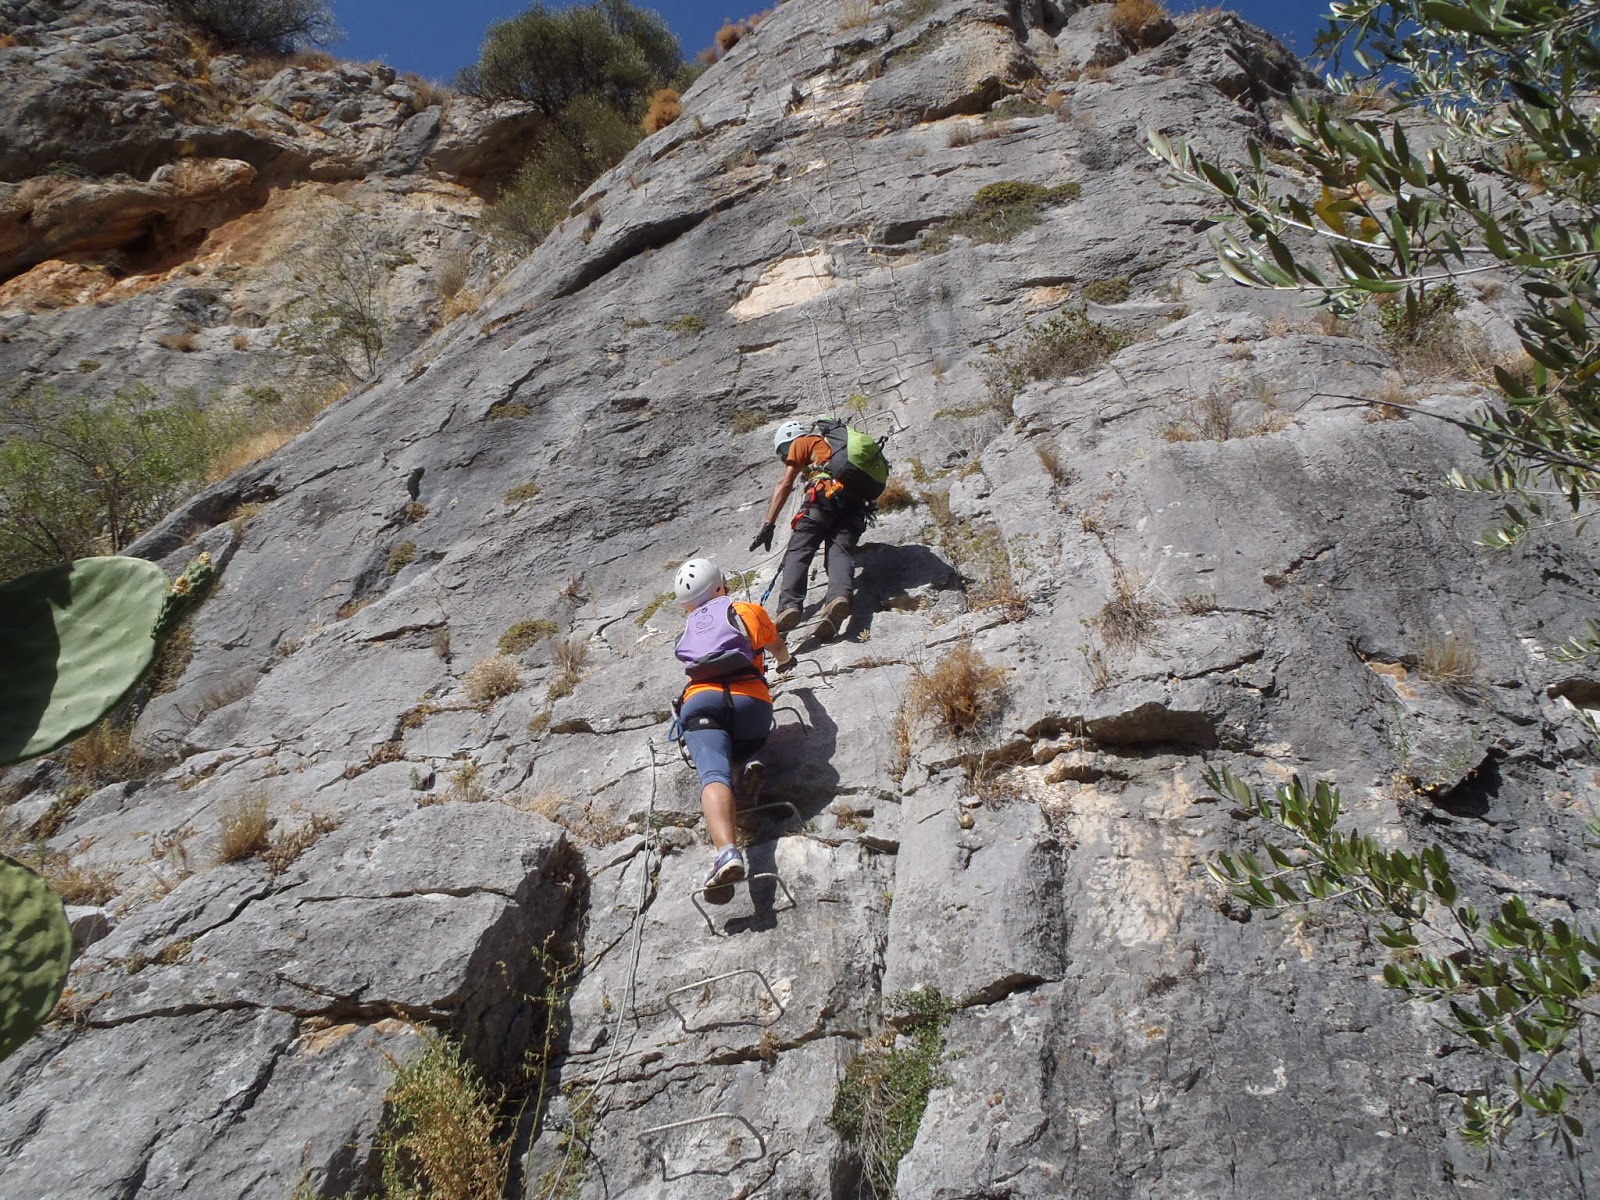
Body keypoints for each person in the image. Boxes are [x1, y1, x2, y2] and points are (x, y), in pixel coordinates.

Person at [670, 557, 792, 904]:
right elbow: (777, 647)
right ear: (721, 586)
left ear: (687, 604)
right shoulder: (746, 610)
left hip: (702, 701)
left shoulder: (690, 626)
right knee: (740, 745)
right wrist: (785, 661)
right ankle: (746, 765)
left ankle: (727, 852)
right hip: (751, 702)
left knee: (713, 775)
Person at [748, 418, 868, 639]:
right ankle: (838, 598)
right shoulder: (835, 448)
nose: (786, 457)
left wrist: (769, 524)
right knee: (839, 552)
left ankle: (789, 606)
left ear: (789, 440)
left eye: (784, 452)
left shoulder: (803, 442)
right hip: (855, 505)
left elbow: (784, 484)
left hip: (822, 497)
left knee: (798, 551)